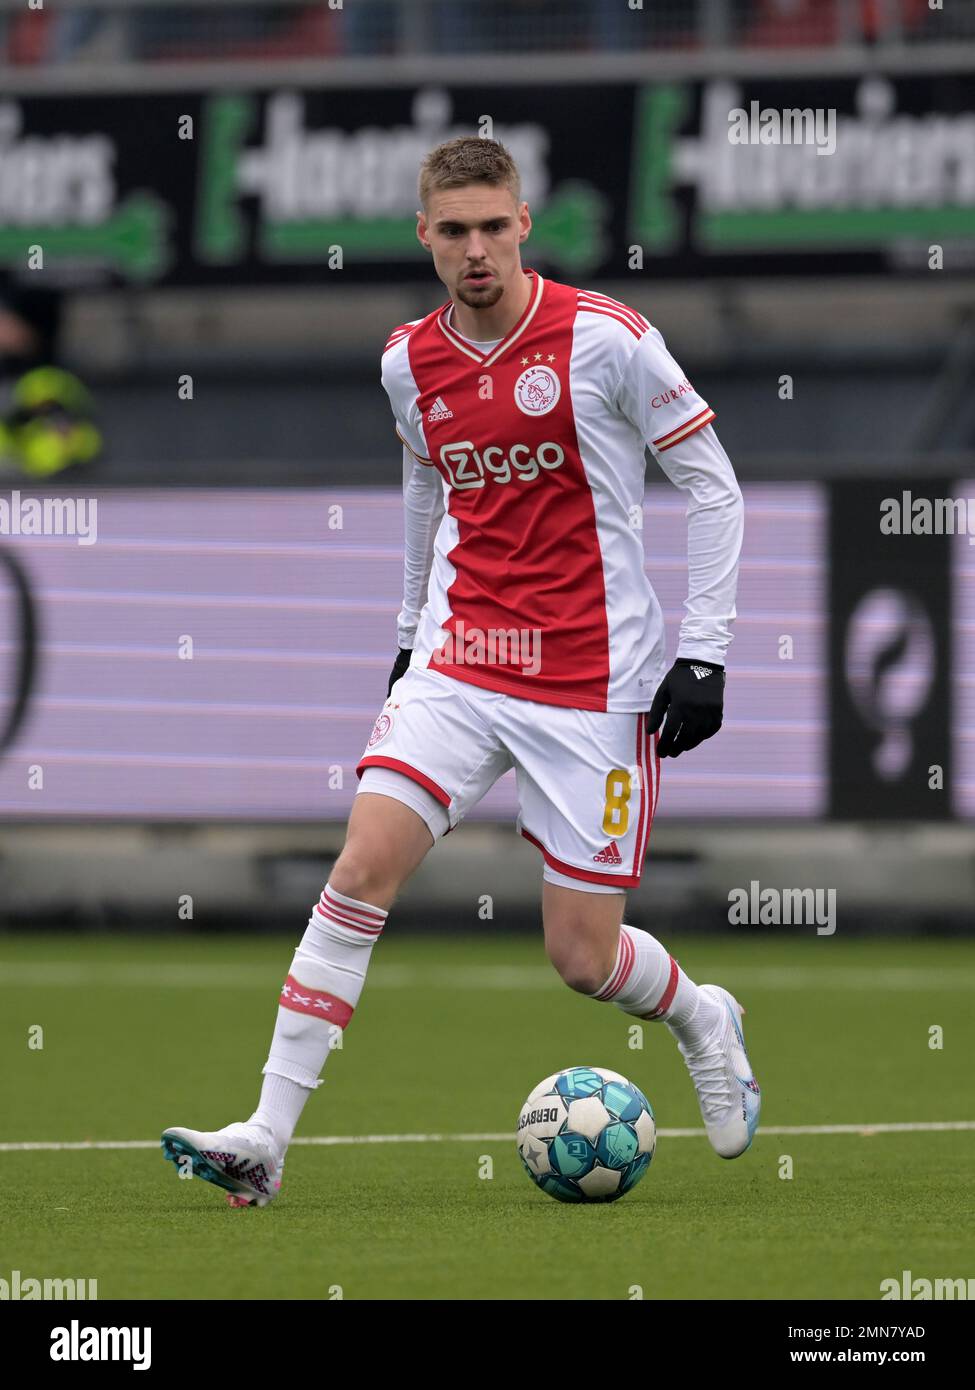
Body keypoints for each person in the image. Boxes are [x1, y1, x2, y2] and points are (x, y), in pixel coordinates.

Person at [162, 137, 758, 1208]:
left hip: (592, 678)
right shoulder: (408, 361)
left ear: (526, 223)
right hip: (461, 661)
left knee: (582, 957)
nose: (475, 249)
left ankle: (702, 1017)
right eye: (454, 230)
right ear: (424, 236)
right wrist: (406, 633)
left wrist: (705, 651)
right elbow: (428, 494)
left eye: (494, 226)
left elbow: (713, 488)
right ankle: (265, 1136)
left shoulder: (608, 340)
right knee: (358, 869)